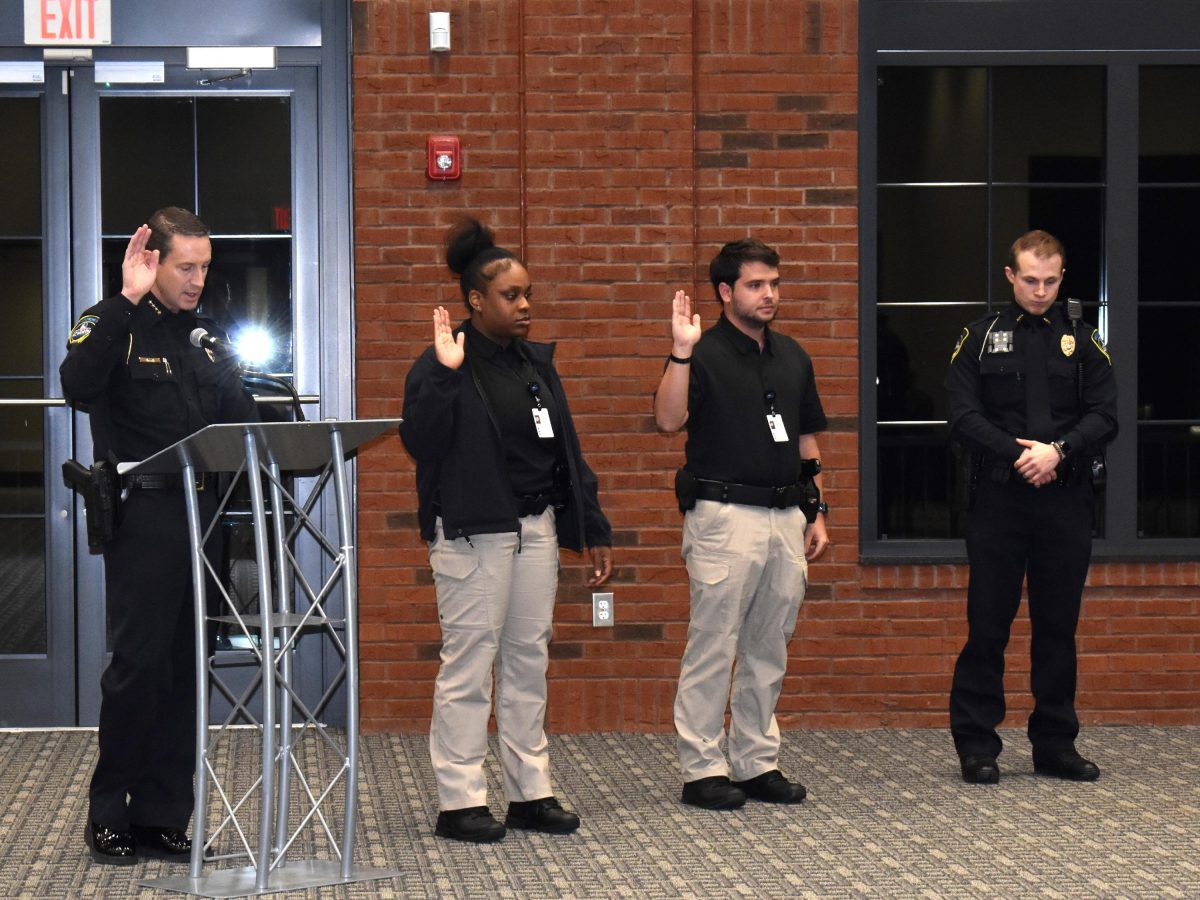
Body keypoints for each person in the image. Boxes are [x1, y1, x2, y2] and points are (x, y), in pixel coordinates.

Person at [399, 218, 613, 843]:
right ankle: (460, 801)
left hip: (537, 529)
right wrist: (442, 372)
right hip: (474, 535)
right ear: (474, 300)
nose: (525, 306)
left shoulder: (534, 364)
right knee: (470, 666)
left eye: (527, 294)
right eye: (511, 296)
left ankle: (530, 792)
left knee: (528, 663)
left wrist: (591, 524)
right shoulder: (444, 363)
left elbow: (566, 451)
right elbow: (422, 441)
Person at [61, 208, 258, 864]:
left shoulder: (202, 335)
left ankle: (164, 813)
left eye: (205, 266)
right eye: (186, 266)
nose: (198, 279)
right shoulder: (114, 324)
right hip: (145, 519)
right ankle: (109, 811)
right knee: (139, 669)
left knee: (184, 673)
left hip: (205, 517)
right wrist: (124, 299)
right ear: (153, 262)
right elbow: (76, 385)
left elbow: (241, 417)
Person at [654, 237, 829, 811]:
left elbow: (807, 441)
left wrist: (818, 509)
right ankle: (702, 767)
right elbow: (667, 419)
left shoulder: (793, 355)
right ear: (727, 292)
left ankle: (756, 761)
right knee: (714, 645)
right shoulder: (700, 352)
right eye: (756, 285)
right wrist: (680, 353)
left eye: (774, 284)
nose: (769, 295)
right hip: (724, 518)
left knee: (768, 646)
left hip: (785, 516)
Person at [945, 229, 1117, 785]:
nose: (1040, 291)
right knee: (988, 625)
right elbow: (962, 415)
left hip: (1065, 500)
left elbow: (1105, 414)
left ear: (1061, 278)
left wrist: (1059, 453)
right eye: (1030, 280)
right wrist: (1021, 456)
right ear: (1010, 278)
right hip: (999, 499)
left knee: (1057, 627)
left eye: (1050, 281)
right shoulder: (979, 337)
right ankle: (977, 745)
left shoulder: (1085, 340)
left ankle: (1055, 744)